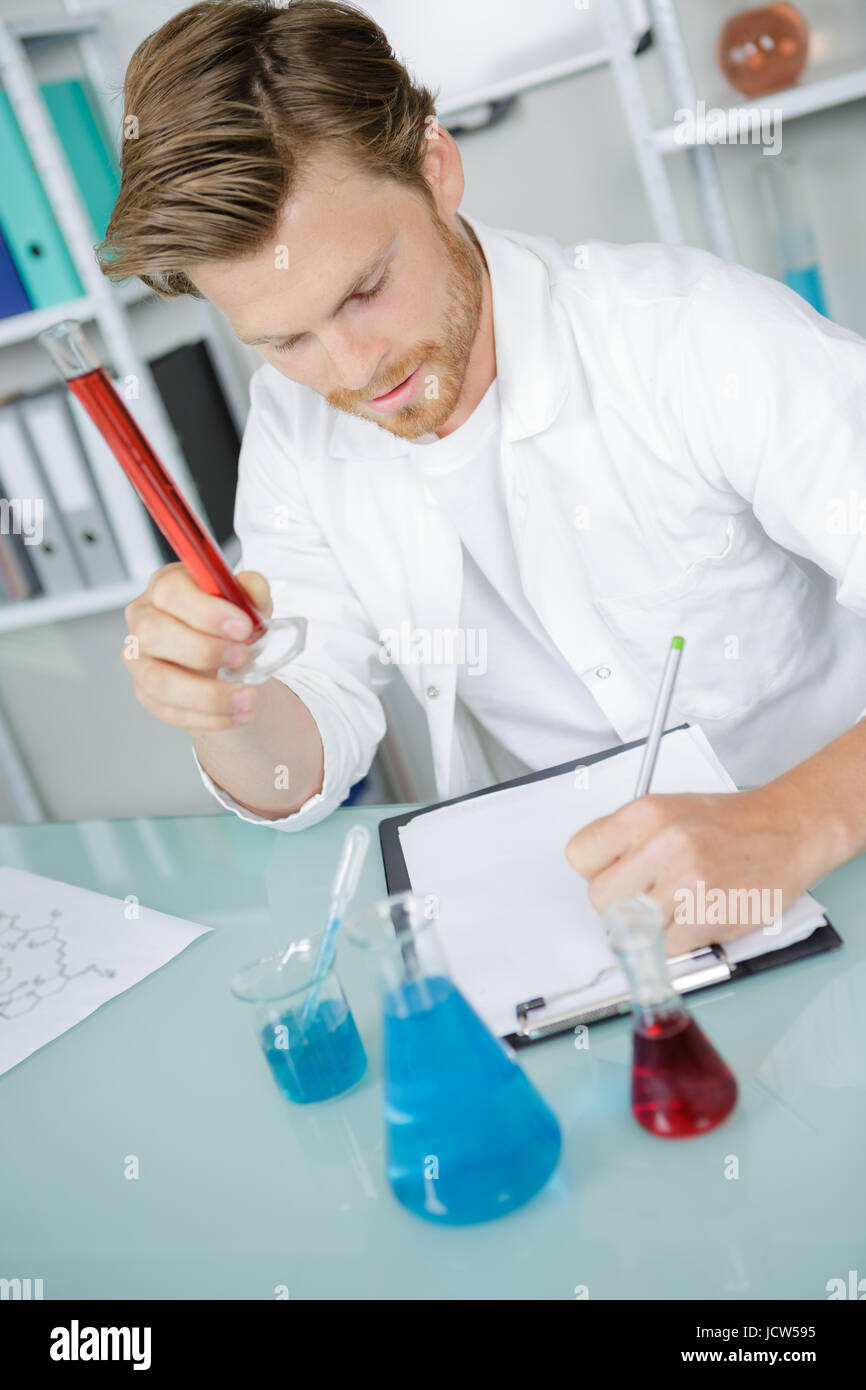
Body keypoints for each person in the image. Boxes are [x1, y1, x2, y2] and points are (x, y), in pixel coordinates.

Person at [104, 0, 866, 954]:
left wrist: (797, 823)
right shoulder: (294, 432)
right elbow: (304, 760)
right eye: (285, 339)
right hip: (597, 933)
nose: (351, 371)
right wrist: (221, 706)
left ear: (437, 164)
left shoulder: (692, 332)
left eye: (366, 290)